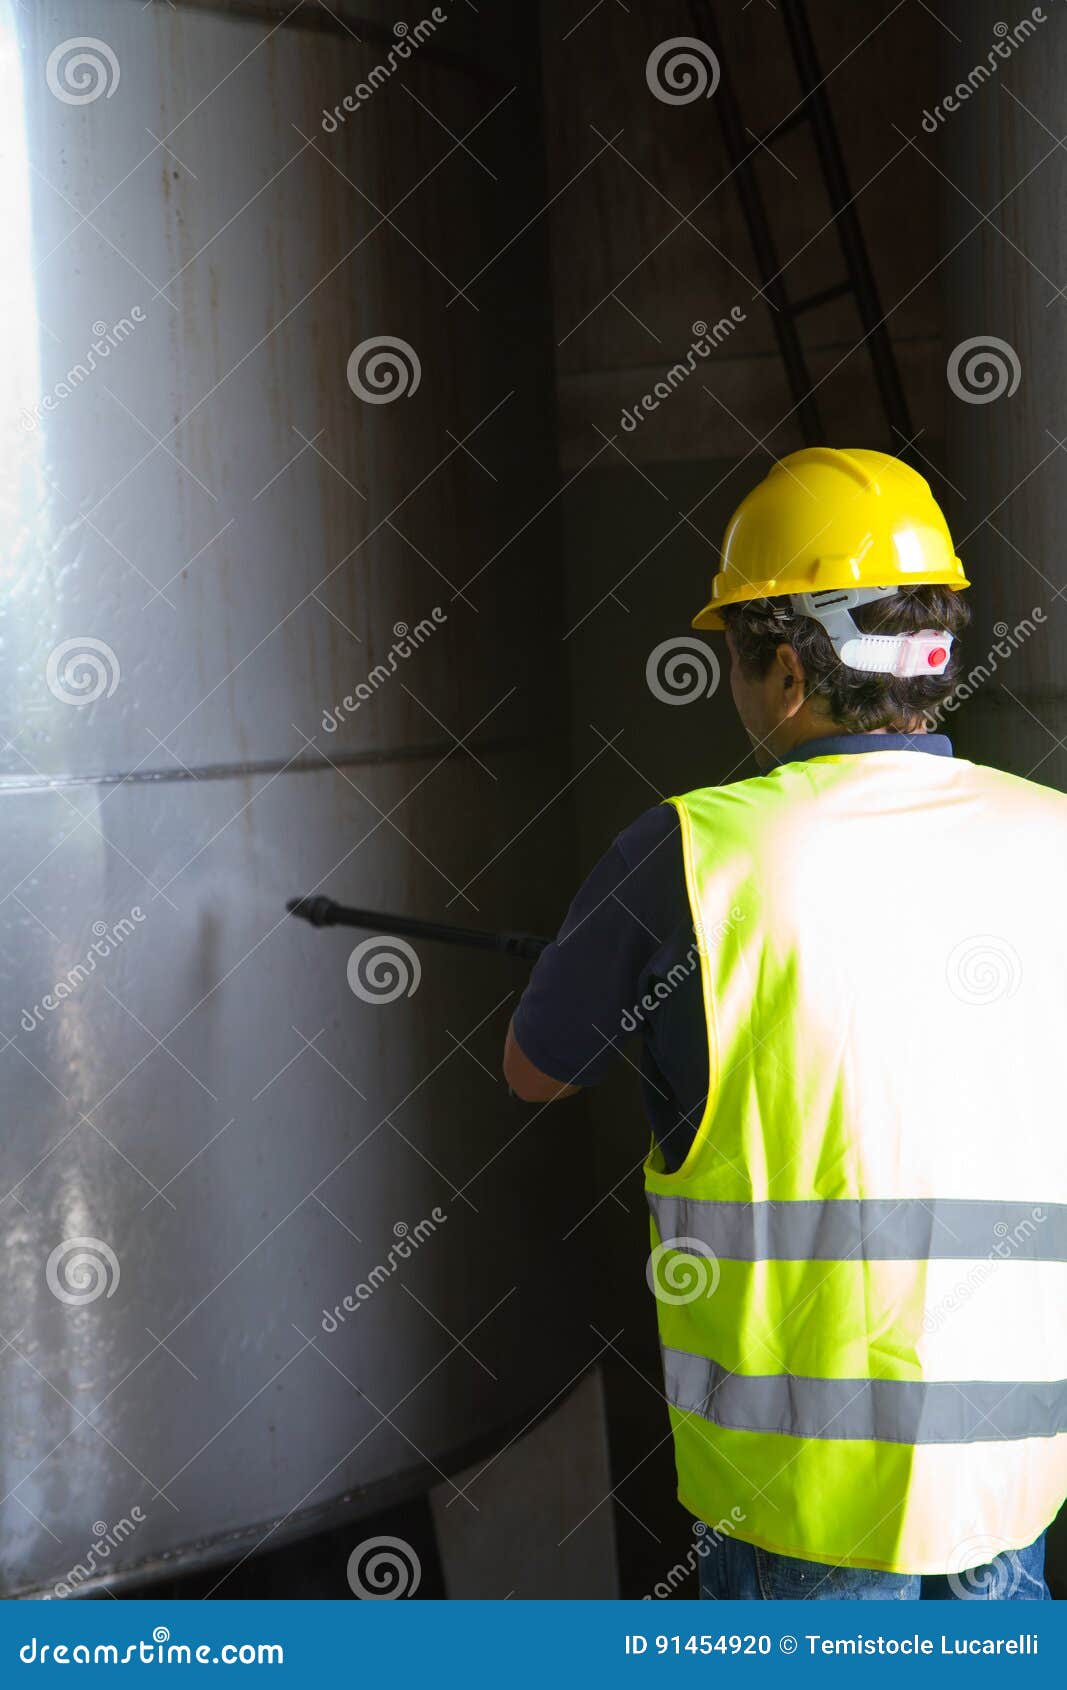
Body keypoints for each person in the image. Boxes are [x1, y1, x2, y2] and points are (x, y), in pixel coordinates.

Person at [503, 448, 1065, 1600]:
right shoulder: (1047, 835)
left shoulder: (688, 851)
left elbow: (534, 1070)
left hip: (797, 1510)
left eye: (734, 656)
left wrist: (632, 970)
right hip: (1004, 1489)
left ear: (788, 674)